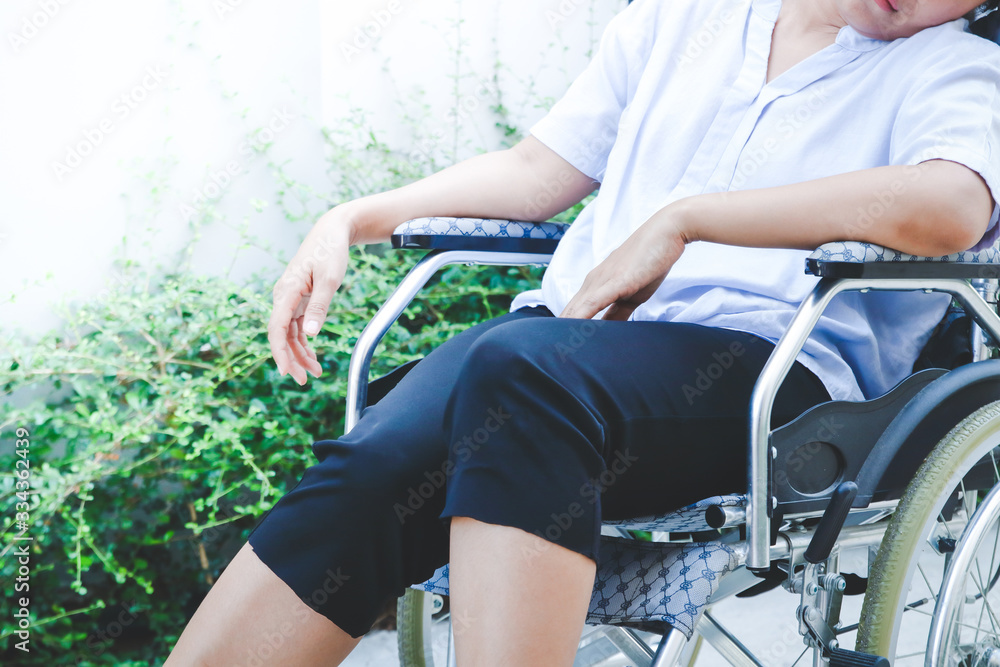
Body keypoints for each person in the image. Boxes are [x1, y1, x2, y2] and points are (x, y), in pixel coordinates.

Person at [166, 0, 1000, 664]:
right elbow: (537, 172)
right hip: (560, 346)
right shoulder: (681, 18)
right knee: (385, 458)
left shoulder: (953, 68)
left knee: (519, 375)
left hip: (767, 374)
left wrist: (690, 221)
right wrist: (353, 219)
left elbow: (951, 204)